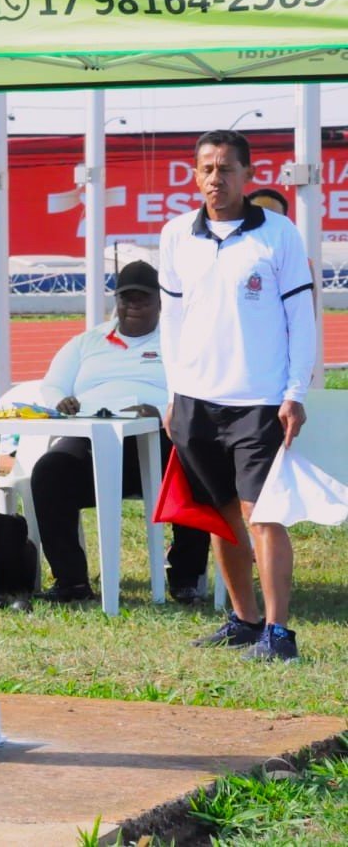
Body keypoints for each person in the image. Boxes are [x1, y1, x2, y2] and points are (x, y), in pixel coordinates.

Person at [159, 129, 316, 663]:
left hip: (260, 401)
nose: (215, 179)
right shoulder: (177, 234)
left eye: (226, 169)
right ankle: (245, 621)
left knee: (262, 516)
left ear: (248, 176)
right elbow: (172, 322)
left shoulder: (279, 235)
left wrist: (295, 392)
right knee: (222, 516)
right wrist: (174, 393)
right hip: (197, 401)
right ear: (195, 174)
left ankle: (279, 634)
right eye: (206, 169)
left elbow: (302, 317)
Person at [27, 260, 210, 604]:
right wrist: (61, 401)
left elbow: (199, 391)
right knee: (49, 472)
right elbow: (52, 385)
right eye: (127, 299)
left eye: (143, 299)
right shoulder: (88, 341)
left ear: (161, 302)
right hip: (94, 436)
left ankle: (187, 576)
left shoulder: (180, 341)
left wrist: (161, 412)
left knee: (196, 466)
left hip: (160, 437)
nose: (133, 307)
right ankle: (71, 581)